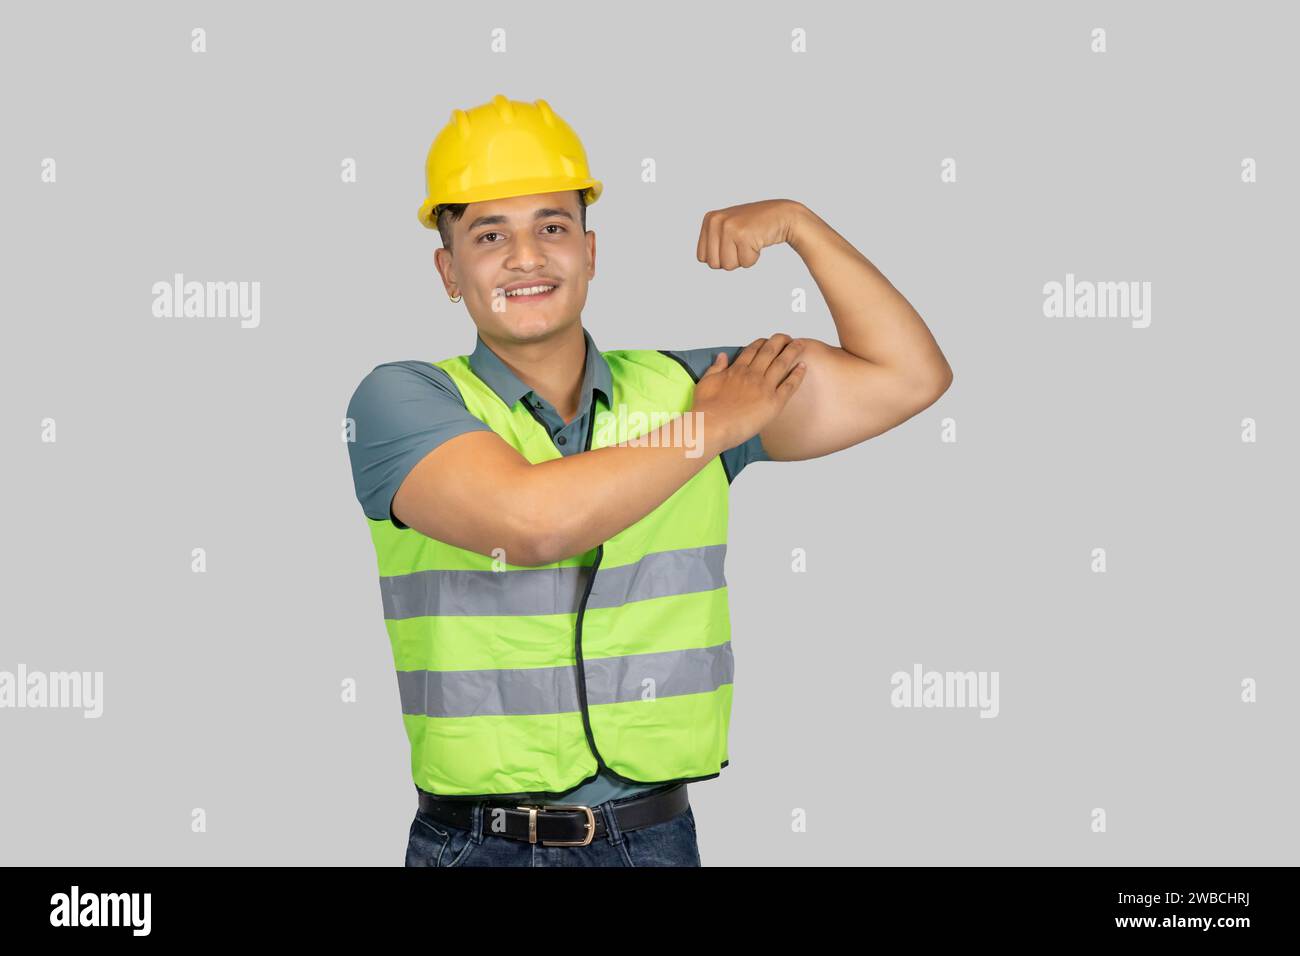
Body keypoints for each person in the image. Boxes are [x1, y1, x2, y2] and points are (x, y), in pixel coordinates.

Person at [345, 94, 953, 867]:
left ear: (591, 253)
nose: (526, 257)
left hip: (654, 841)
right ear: (449, 270)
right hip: (476, 848)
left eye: (552, 227)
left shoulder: (686, 386)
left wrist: (803, 225)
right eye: (489, 234)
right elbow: (531, 524)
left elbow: (908, 377)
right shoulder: (402, 400)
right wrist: (713, 430)